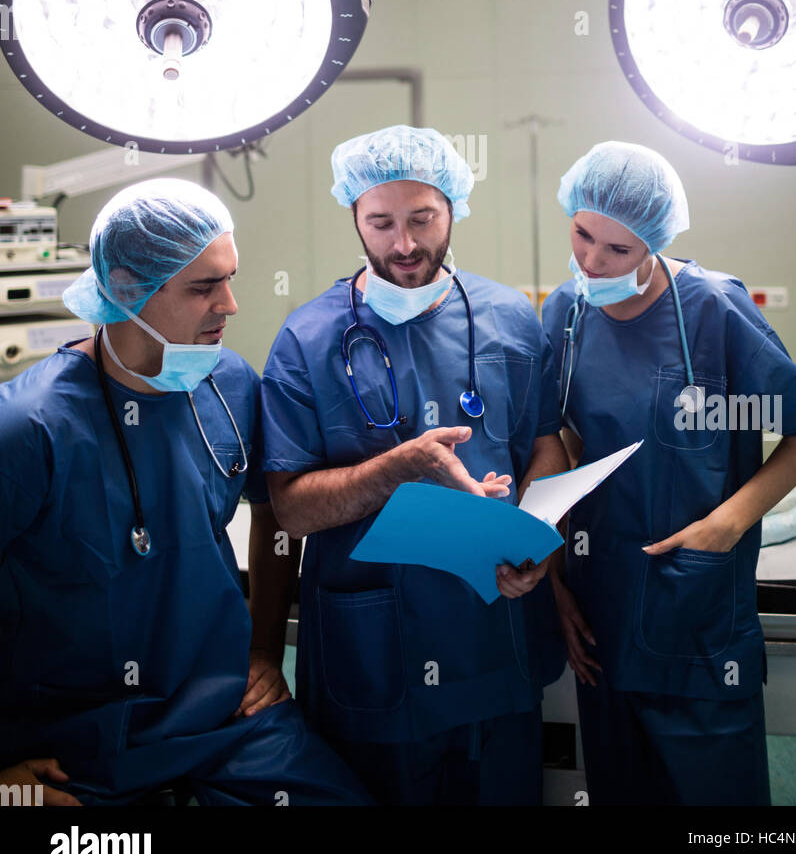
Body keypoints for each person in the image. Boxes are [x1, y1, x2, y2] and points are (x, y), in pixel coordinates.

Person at [0, 178, 370, 806]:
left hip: (224, 717)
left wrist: (262, 646)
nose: (229, 305)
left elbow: (274, 512)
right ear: (124, 289)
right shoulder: (30, 427)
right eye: (202, 288)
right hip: (73, 744)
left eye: (229, 279)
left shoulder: (229, 382)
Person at [261, 125, 568, 806]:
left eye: (422, 218)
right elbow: (290, 508)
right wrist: (395, 469)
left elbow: (545, 442)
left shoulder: (512, 319)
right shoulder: (306, 340)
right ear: (355, 218)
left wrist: (537, 536)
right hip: (375, 653)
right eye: (381, 223)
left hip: (494, 635)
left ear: (454, 206)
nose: (403, 245)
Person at [541, 140, 796, 807]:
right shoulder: (565, 313)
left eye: (617, 250)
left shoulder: (713, 310)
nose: (591, 261)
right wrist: (554, 575)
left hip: (698, 617)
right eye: (583, 234)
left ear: (653, 240)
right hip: (602, 608)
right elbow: (560, 438)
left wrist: (725, 525)